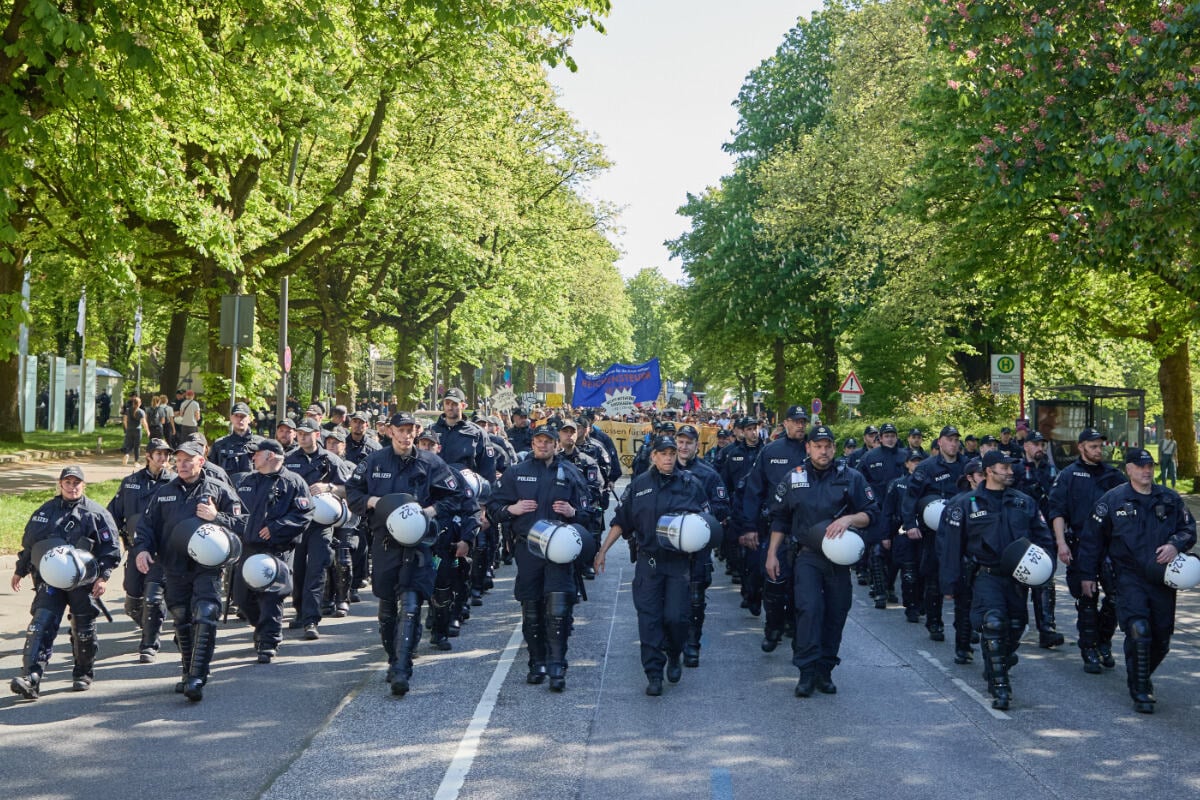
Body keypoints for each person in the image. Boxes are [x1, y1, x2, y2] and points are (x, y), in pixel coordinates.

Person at [345, 412, 465, 695]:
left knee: (410, 607)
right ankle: (393, 658)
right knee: (387, 611)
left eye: (410, 430)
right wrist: (373, 502)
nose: (405, 435)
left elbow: (455, 495)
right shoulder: (374, 462)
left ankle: (403, 668)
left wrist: (429, 511)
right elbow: (352, 491)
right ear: (390, 431)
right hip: (385, 543)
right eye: (400, 429)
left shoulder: (431, 462)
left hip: (419, 544)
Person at [1077, 448, 1197, 713]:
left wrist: (1175, 545)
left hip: (1162, 579)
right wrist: (1087, 575)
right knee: (1138, 630)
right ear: (1128, 469)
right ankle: (1140, 689)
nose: (1146, 471)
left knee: (1161, 637)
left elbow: (1188, 529)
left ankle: (1140, 675)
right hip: (1127, 576)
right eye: (1140, 466)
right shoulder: (1112, 500)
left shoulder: (1169, 498)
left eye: (1150, 466)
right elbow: (1091, 541)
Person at [765, 425, 877, 697]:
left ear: (834, 448)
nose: (823, 450)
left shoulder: (851, 477)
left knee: (836, 613)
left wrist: (849, 518)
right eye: (817, 445)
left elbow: (871, 512)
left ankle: (825, 670)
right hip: (807, 557)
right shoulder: (794, 478)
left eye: (827, 445)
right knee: (809, 610)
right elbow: (780, 517)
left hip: (839, 560)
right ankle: (806, 671)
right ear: (808, 448)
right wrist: (771, 554)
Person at [938, 451, 1055, 710]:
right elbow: (951, 548)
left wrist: (1046, 568)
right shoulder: (966, 504)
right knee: (993, 623)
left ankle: (997, 661)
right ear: (989, 470)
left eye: (1010, 467)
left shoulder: (1024, 502)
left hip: (1018, 579)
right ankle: (1001, 688)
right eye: (1004, 467)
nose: (1010, 471)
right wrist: (949, 584)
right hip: (985, 576)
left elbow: (1043, 539)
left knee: (1015, 627)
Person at [596, 435, 712, 696]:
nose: (669, 457)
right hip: (649, 563)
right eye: (664, 453)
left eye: (672, 453)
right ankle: (654, 673)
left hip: (679, 564)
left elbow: (708, 523)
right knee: (649, 620)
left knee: (676, 617)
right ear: (654, 456)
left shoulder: (690, 484)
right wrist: (603, 550)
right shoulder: (640, 485)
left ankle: (673, 654)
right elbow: (622, 520)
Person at [488, 425, 596, 691]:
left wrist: (573, 512)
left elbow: (590, 513)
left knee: (558, 610)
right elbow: (493, 508)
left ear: (556, 443)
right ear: (533, 443)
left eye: (548, 441)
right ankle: (537, 662)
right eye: (538, 440)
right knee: (532, 610)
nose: (543, 445)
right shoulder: (516, 472)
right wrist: (511, 509)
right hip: (528, 550)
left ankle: (557, 665)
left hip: (560, 551)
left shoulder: (570, 473)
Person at [133, 440, 243, 701]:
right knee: (181, 617)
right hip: (173, 565)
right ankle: (187, 670)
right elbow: (147, 526)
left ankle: (198, 676)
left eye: (187, 460)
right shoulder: (164, 492)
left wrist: (217, 517)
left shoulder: (218, 489)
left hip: (207, 566)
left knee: (205, 613)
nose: (181, 464)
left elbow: (243, 523)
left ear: (201, 461)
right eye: (178, 460)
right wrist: (142, 549)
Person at [10, 467, 121, 699]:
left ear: (84, 485)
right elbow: (30, 545)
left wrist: (104, 577)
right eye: (68, 482)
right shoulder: (45, 512)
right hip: (50, 580)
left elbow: (110, 551)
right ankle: (31, 677)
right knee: (41, 623)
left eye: (77, 483)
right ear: (60, 484)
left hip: (84, 582)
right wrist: (20, 571)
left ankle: (83, 672)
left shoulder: (97, 514)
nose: (72, 487)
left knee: (83, 628)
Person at [1047, 427, 1127, 673]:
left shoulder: (1113, 475)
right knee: (1087, 598)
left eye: (1100, 446)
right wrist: (1061, 543)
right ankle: (1088, 648)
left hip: (1110, 546)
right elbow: (1057, 511)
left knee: (1116, 598)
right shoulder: (1068, 475)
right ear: (1080, 447)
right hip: (1081, 544)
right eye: (1092, 446)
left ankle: (1103, 641)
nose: (1098, 450)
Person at [230, 439, 313, 663]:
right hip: (248, 548)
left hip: (277, 548)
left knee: (271, 596)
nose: (252, 458)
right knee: (242, 597)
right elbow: (235, 511)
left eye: (256, 454)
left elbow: (304, 514)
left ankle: (269, 640)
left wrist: (276, 528)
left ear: (271, 456)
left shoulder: (294, 482)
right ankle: (261, 626)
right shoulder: (247, 481)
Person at [740, 405, 810, 654]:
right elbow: (753, 490)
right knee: (775, 580)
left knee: (802, 583)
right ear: (785, 423)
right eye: (796, 421)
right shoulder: (770, 451)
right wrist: (749, 527)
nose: (801, 425)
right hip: (776, 526)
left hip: (807, 529)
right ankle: (773, 628)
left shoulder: (814, 449)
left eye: (804, 421)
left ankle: (793, 623)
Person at [107, 438, 176, 661]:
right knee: (133, 600)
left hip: (162, 551)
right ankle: (151, 623)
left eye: (166, 454)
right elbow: (112, 516)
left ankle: (149, 644)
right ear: (149, 455)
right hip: (136, 549)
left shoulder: (175, 483)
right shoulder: (130, 483)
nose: (163, 458)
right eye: (159, 454)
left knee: (153, 598)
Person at [284, 418, 354, 638]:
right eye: (300, 433)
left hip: (321, 523)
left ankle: (311, 619)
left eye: (307, 433)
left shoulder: (330, 460)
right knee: (298, 570)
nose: (302, 437)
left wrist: (329, 487)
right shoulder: (289, 459)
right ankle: (299, 611)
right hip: (296, 523)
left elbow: (349, 490)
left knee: (316, 569)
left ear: (317, 435)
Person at [901, 425, 966, 642]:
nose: (953, 443)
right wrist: (910, 524)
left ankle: (965, 627)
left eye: (956, 439)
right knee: (933, 578)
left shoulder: (966, 466)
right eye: (949, 439)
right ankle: (935, 622)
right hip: (933, 532)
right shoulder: (926, 467)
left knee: (964, 578)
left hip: (961, 531)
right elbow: (910, 497)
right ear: (940, 442)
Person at [674, 424, 730, 668]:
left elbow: (722, 508)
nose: (684, 447)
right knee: (670, 599)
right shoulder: (663, 469)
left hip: (698, 546)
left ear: (697, 445)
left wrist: (697, 516)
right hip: (669, 546)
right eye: (681, 442)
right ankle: (672, 643)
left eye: (689, 442)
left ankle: (692, 644)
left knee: (696, 598)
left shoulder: (709, 474)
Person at [1012, 431, 1064, 648]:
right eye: (1036, 444)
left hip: (1045, 532)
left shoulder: (1051, 470)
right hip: (1022, 533)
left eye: (1042, 444)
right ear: (1026, 446)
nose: (1040, 448)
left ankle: (1046, 627)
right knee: (1019, 581)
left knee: (1045, 580)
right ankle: (1018, 624)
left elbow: (1058, 500)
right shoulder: (1015, 470)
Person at [209, 402, 262, 482]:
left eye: (243, 416)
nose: (239, 419)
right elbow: (211, 472)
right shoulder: (219, 444)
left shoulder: (261, 444)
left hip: (254, 489)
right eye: (236, 416)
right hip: (227, 489)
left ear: (249, 419)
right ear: (231, 418)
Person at [122, 395, 150, 466]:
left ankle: (127, 454)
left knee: (129, 444)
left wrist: (126, 428)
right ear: (140, 403)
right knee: (137, 446)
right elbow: (144, 422)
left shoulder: (128, 410)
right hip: (137, 430)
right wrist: (147, 431)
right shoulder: (141, 412)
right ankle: (136, 461)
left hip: (129, 429)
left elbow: (124, 420)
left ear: (133, 403)